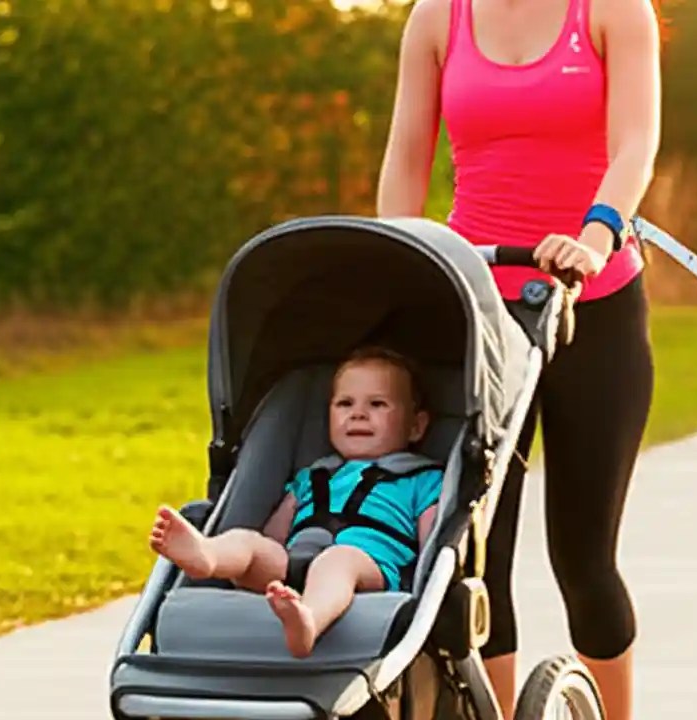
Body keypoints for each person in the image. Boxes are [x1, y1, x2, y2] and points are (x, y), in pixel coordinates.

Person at [375, 0, 662, 717]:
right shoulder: (438, 17)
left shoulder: (613, 11)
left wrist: (594, 240)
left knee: (584, 561)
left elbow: (636, 143)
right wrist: (394, 268)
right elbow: (408, 154)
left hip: (591, 309)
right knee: (474, 559)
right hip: (476, 307)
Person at [148, 345, 444, 659]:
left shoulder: (424, 478)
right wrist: (257, 556)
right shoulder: (311, 476)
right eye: (345, 403)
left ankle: (309, 621)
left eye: (377, 404)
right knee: (249, 542)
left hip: (368, 566)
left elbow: (433, 543)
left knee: (337, 561)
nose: (358, 413)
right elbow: (275, 534)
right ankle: (209, 556)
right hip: (295, 561)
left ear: (416, 426)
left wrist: (432, 584)